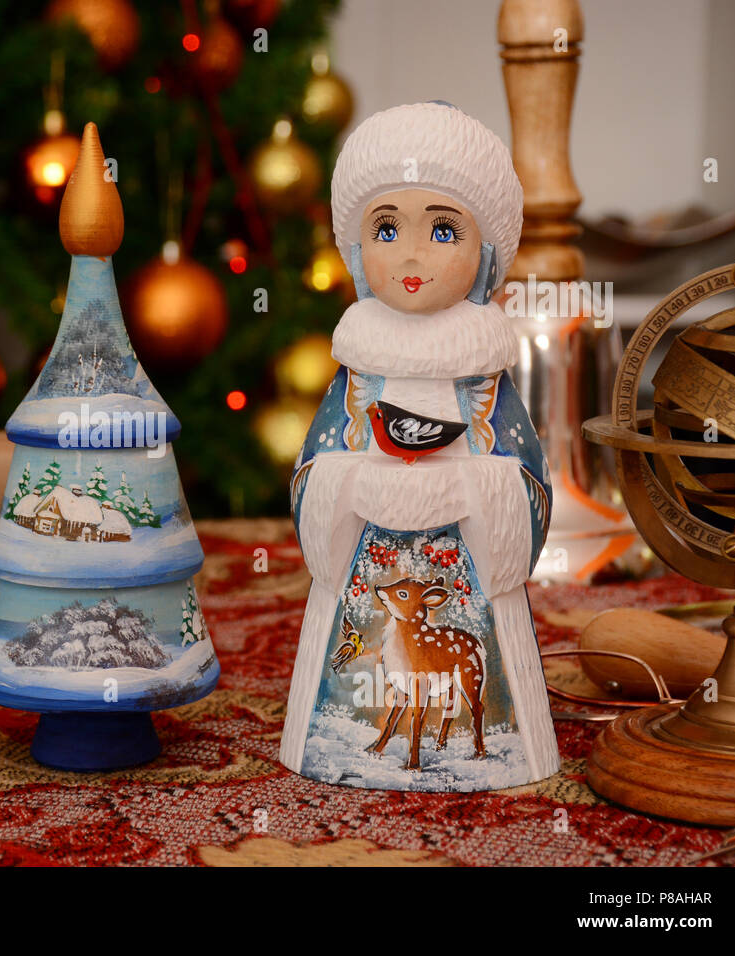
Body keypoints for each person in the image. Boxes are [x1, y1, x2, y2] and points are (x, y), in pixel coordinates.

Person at [281, 102, 555, 792]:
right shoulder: (357, 376)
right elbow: (313, 473)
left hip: (464, 582)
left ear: (485, 256)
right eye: (386, 227)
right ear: (355, 253)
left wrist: (471, 491)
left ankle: (480, 741)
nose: (410, 254)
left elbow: (526, 485)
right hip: (366, 578)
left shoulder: (485, 386)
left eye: (441, 228)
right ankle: (349, 735)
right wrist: (348, 487)